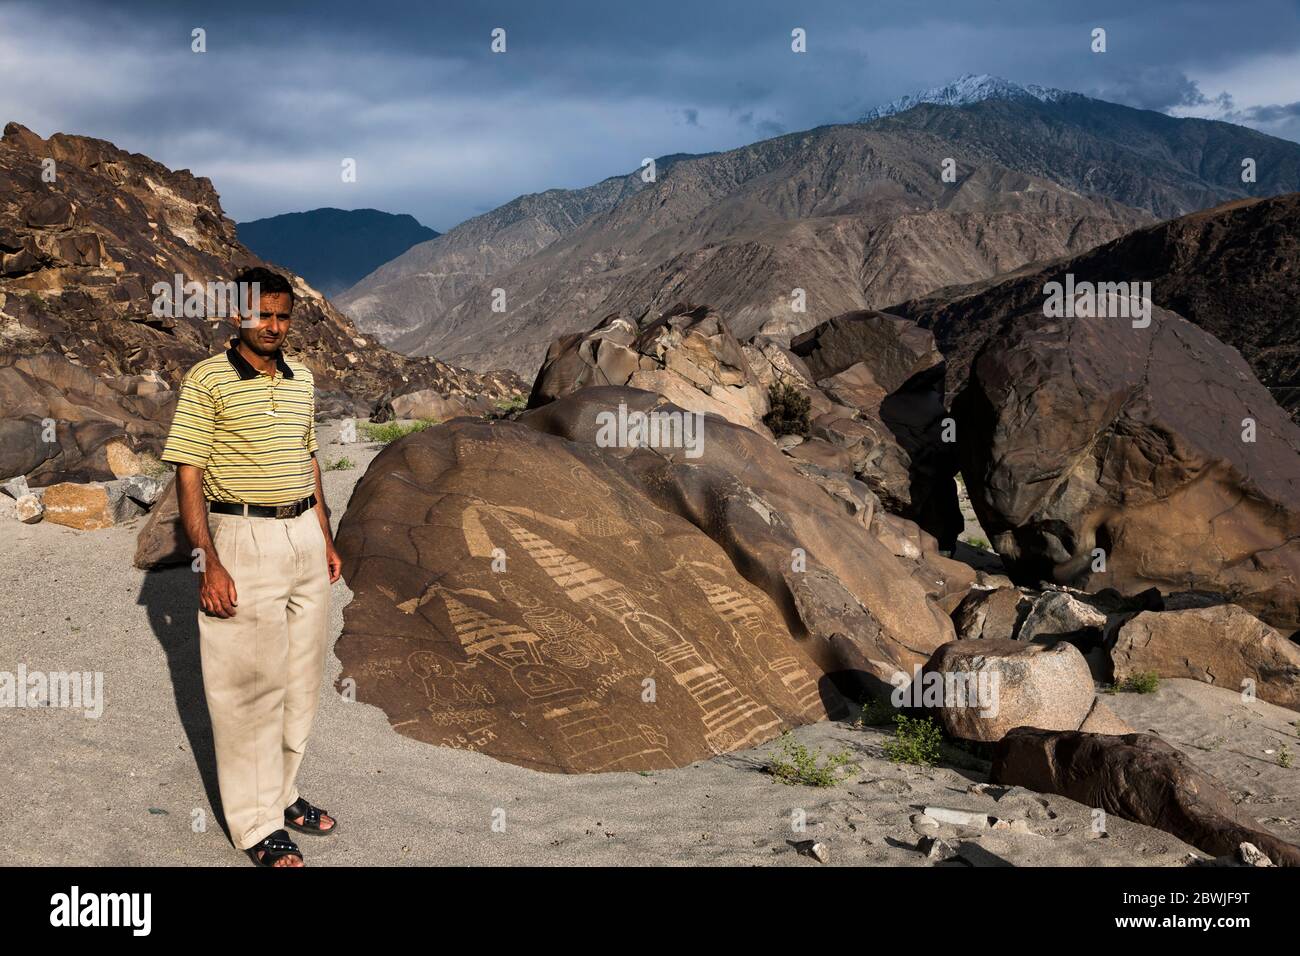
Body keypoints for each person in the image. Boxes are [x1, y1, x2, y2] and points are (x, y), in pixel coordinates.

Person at [161, 266, 343, 867]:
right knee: (246, 688)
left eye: (283, 315)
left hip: (303, 539)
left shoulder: (301, 379)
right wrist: (207, 561)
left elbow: (308, 458)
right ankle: (254, 823)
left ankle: (282, 794)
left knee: (299, 681)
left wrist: (325, 535)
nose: (273, 325)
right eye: (262, 314)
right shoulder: (207, 380)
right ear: (237, 315)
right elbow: (188, 471)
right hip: (241, 534)